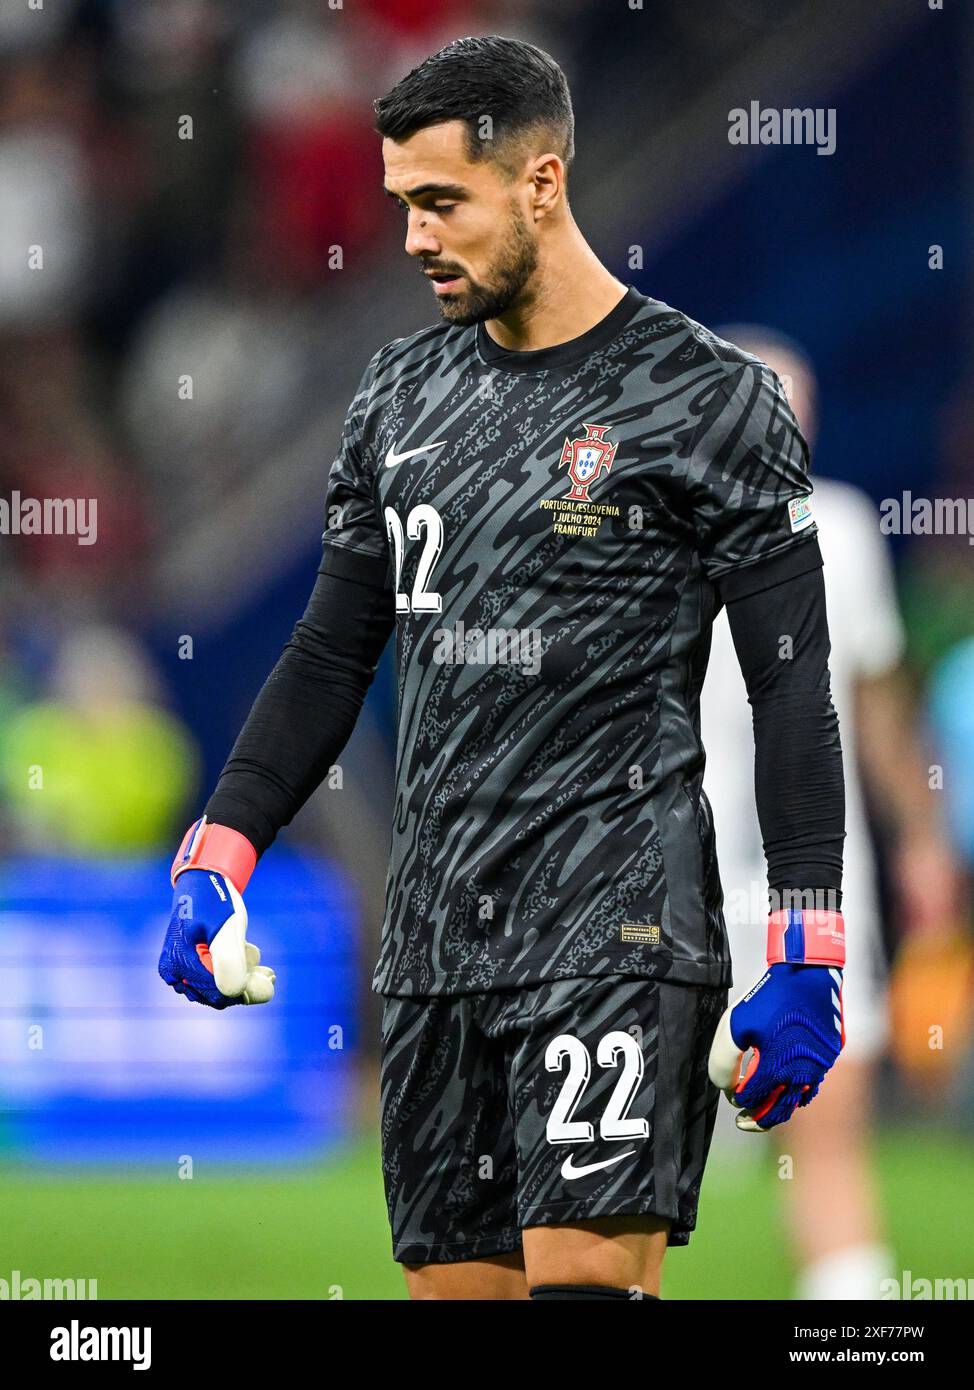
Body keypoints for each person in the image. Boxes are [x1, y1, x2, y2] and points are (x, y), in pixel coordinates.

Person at [158, 36, 847, 1301]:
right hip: (433, 939)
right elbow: (330, 649)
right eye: (398, 206)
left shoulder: (704, 399)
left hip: (617, 921)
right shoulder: (396, 395)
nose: (413, 238)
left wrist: (807, 940)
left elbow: (790, 683)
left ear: (539, 182)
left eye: (439, 203)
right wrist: (220, 849)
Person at [701, 326, 960, 1299]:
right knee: (629, 1165)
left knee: (828, 1128)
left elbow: (877, 709)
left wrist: (922, 841)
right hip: (674, 885)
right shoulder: (649, 537)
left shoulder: (842, 530)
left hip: (808, 885)